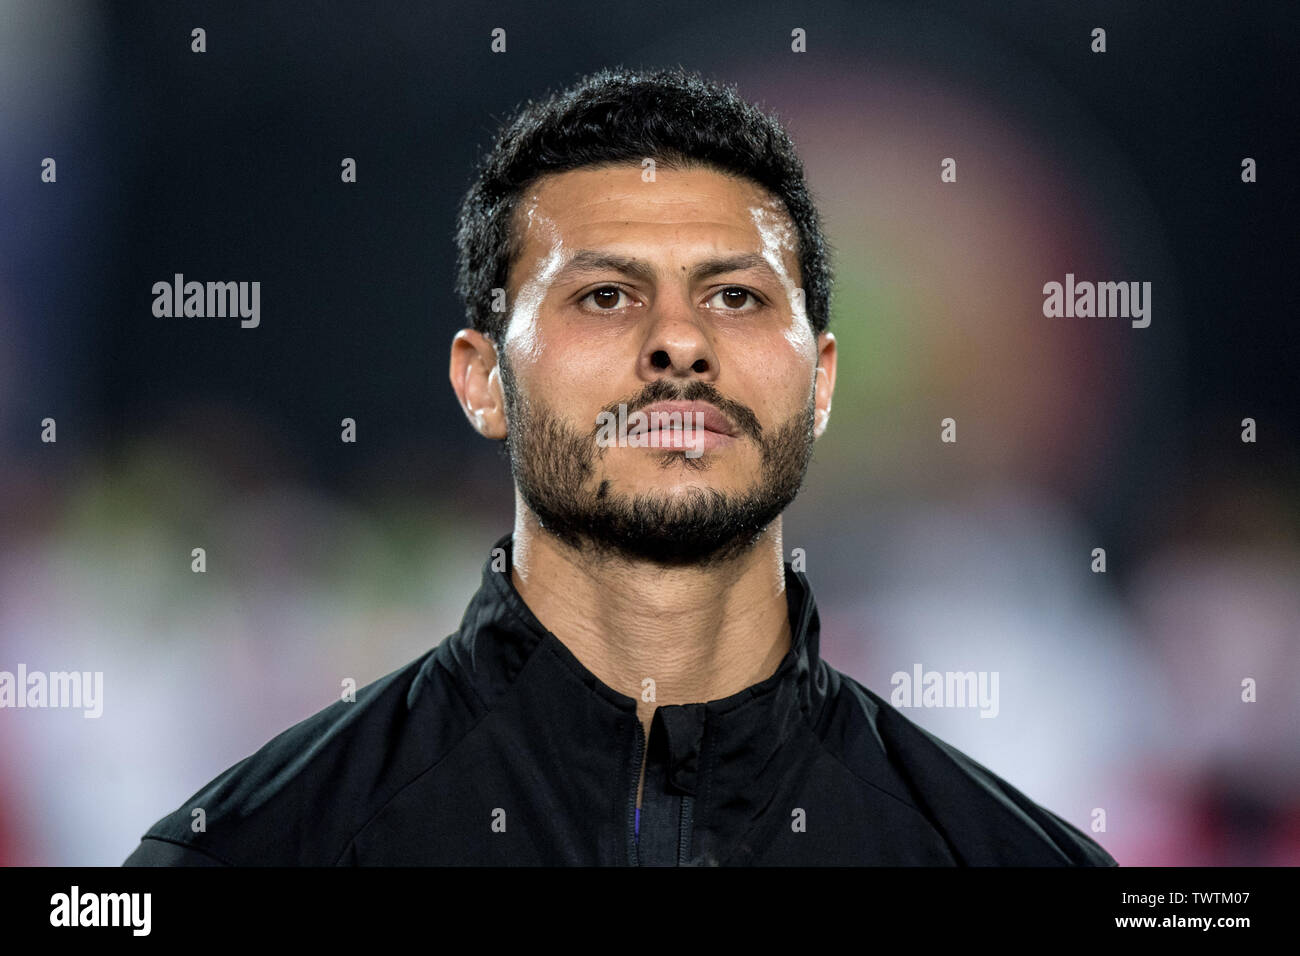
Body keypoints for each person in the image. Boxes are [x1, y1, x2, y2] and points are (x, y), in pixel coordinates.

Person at [123, 66, 1116, 866]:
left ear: (819, 382)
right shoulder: (250, 849)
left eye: (734, 297)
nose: (678, 342)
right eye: (603, 295)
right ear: (482, 382)